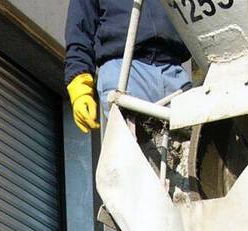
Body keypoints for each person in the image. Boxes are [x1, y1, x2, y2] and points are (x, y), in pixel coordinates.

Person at [65, 0, 190, 132]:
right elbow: (79, 29)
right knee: (135, 146)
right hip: (124, 68)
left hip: (174, 70)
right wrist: (80, 85)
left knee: (192, 144)